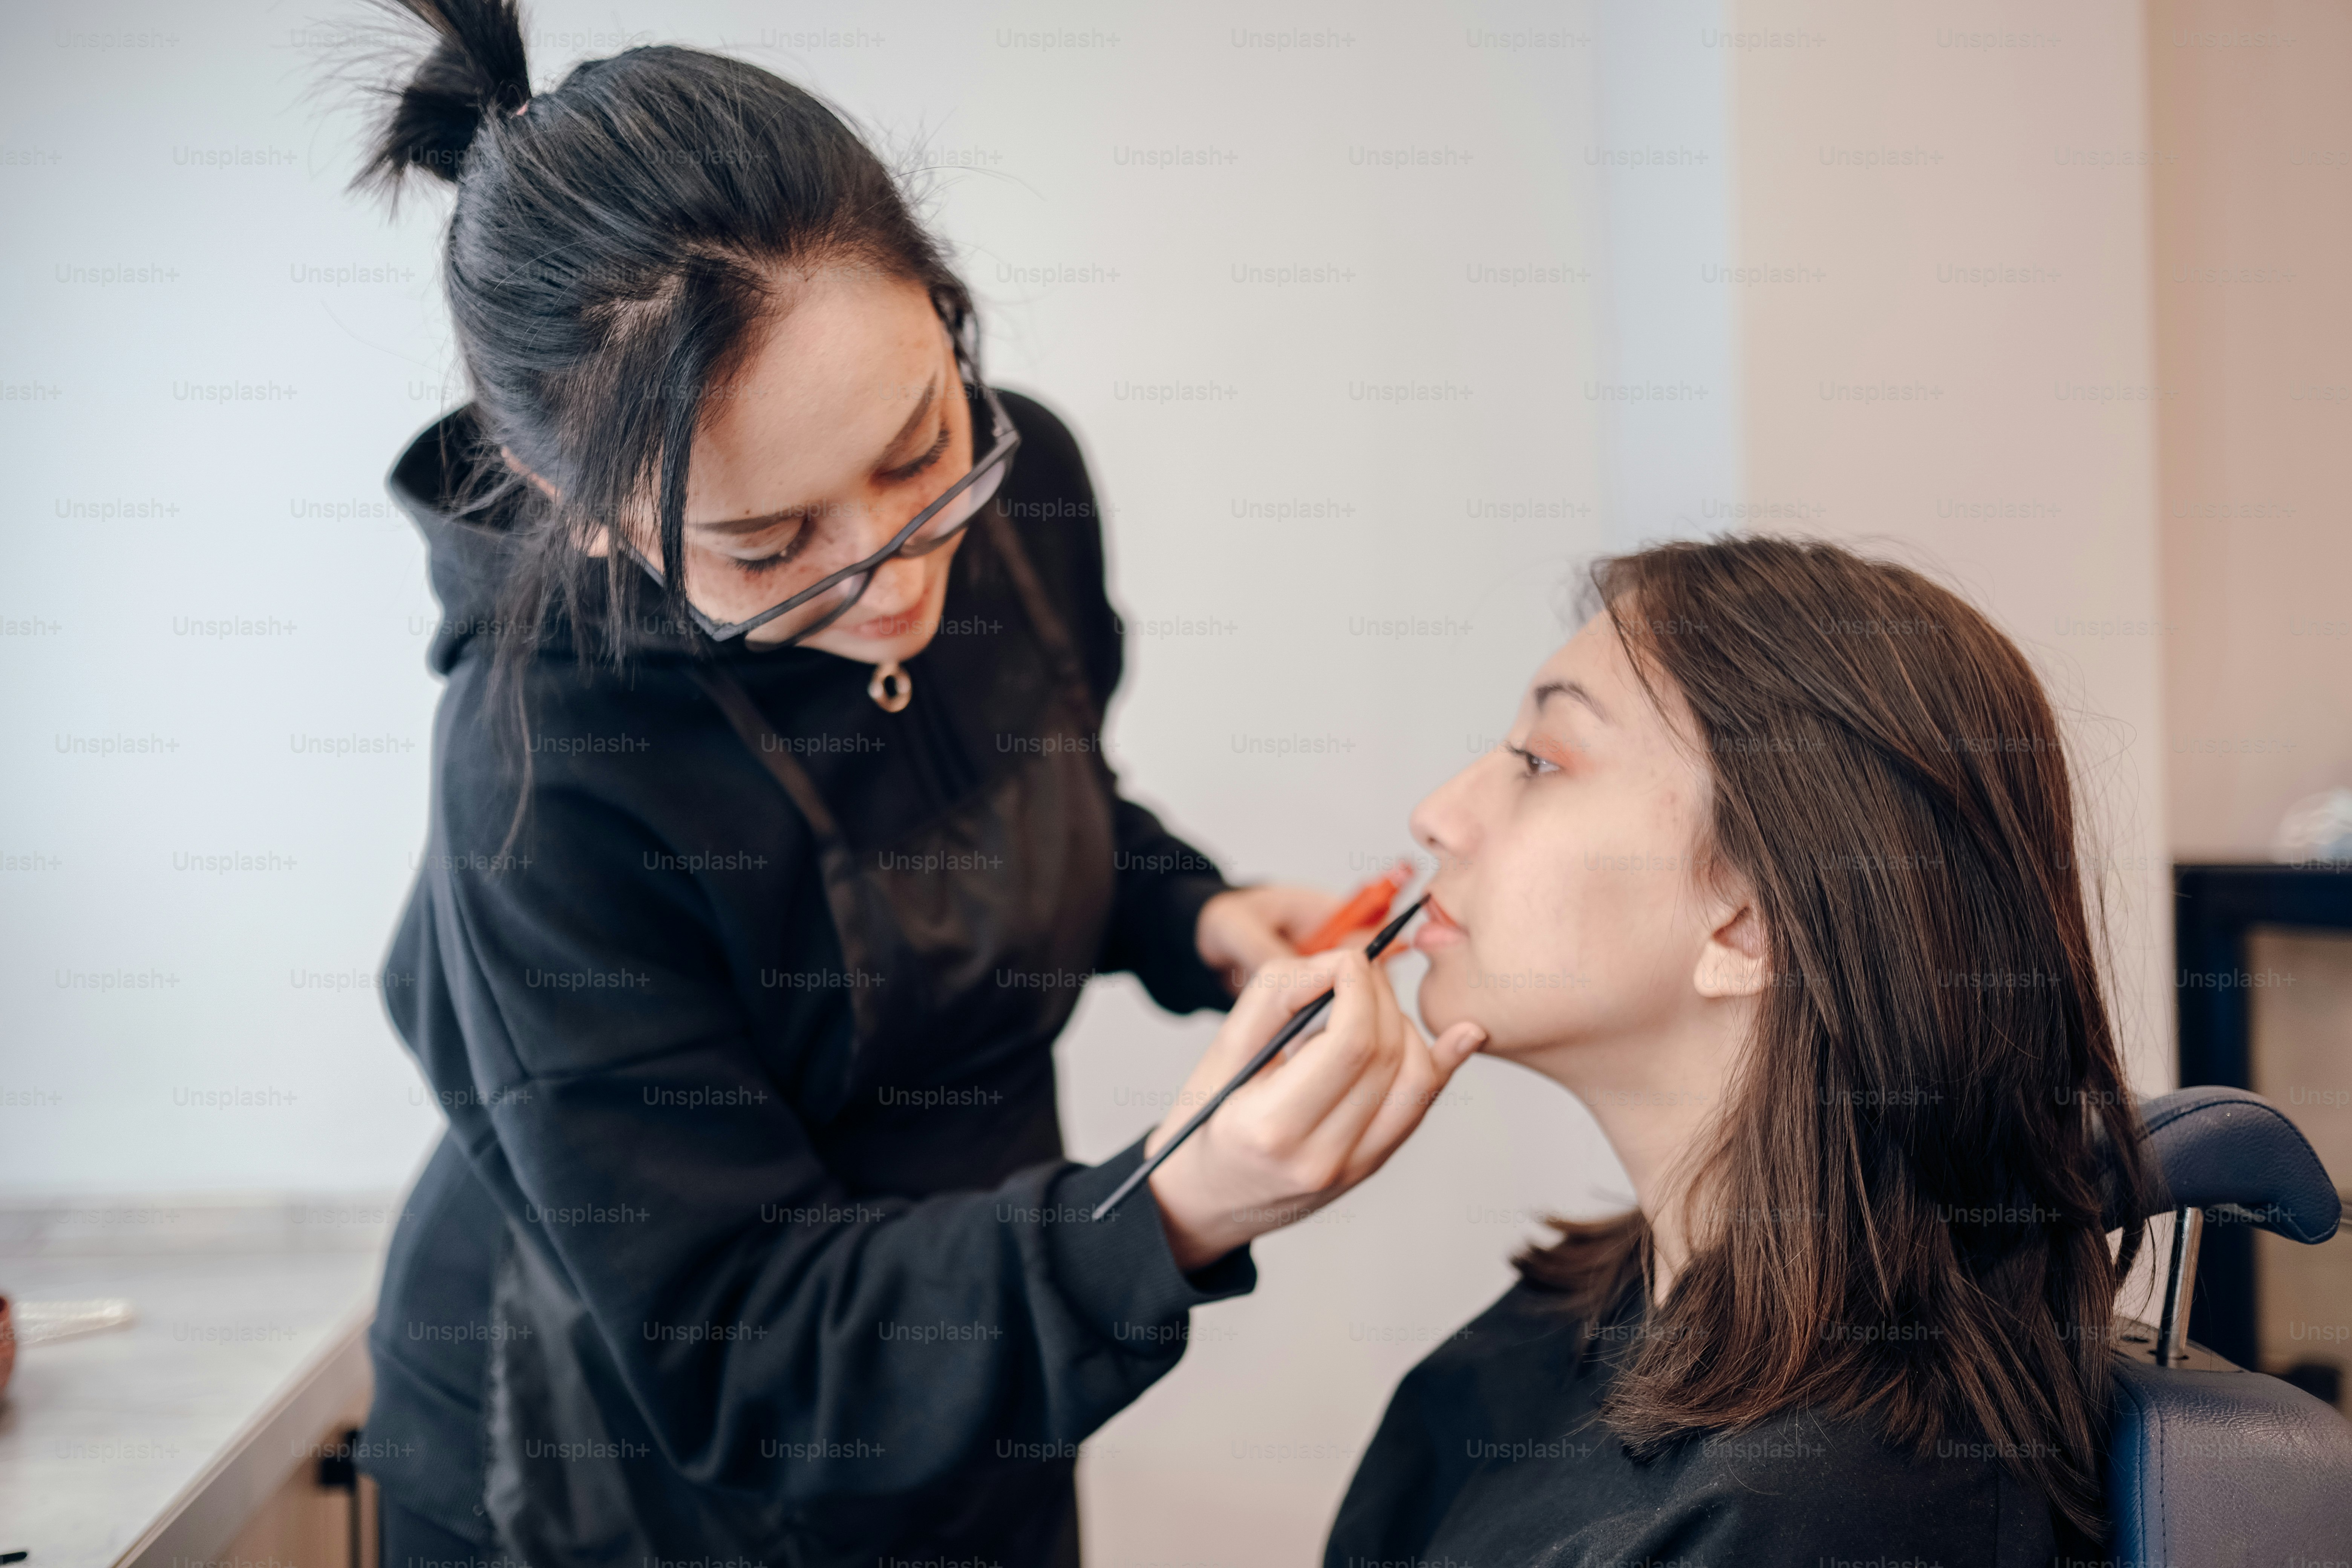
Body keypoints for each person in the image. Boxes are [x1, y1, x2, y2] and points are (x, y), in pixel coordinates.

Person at [345, 3, 1483, 1562]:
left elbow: (1033, 782)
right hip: (638, 1452)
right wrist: (1169, 1210)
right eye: (769, 545)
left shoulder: (1024, 494)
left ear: (944, 314)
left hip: (980, 1360)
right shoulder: (541, 783)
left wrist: (1196, 918)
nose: (891, 584)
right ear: (575, 503)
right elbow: (741, 1338)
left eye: (916, 449)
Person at [1329, 536, 2158, 1566]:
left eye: (1541, 762)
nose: (1437, 817)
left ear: (1748, 922)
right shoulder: (1561, 1327)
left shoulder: (1823, 1520)